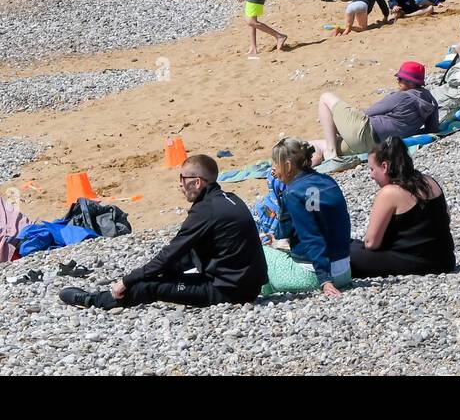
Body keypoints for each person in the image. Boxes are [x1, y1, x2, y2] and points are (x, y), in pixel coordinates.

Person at [59, 154, 267, 309]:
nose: (179, 184)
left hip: (230, 292)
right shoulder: (230, 198)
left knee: (149, 286)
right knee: (179, 261)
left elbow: (170, 253)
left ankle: (92, 301)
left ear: (197, 182)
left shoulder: (206, 210)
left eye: (182, 178)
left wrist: (128, 280)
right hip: (247, 284)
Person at [349, 136, 456, 279]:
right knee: (352, 246)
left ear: (385, 166)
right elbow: (446, 218)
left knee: (345, 253)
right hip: (445, 260)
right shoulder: (430, 181)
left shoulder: (390, 192)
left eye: (372, 169)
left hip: (418, 263)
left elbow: (371, 243)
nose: (371, 176)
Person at [261, 138, 352, 296]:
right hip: (345, 270)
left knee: (260, 253)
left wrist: (325, 280)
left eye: (275, 163)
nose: (273, 169)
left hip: (315, 276)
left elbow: (311, 235)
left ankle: (262, 298)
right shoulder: (328, 181)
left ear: (288, 166)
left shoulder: (293, 193)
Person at [310, 61, 439, 164]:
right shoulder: (431, 101)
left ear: (411, 82)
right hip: (374, 146)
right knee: (319, 145)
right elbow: (432, 129)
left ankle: (331, 153)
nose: (397, 81)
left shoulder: (402, 97)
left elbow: (366, 114)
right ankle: (323, 155)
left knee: (325, 97)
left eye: (400, 79)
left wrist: (338, 123)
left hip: (364, 132)